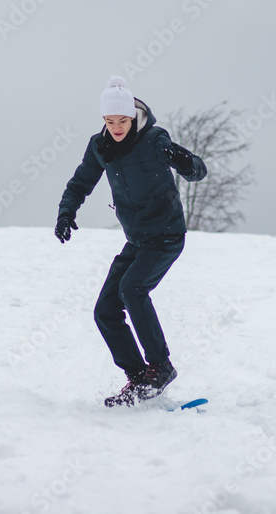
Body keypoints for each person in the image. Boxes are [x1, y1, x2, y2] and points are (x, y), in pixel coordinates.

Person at [55, 76, 207, 407]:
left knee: (132, 290)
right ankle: (140, 378)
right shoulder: (101, 146)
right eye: (110, 121)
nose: (117, 127)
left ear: (133, 116)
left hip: (166, 236)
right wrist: (66, 213)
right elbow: (79, 183)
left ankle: (161, 367)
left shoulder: (154, 139)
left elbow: (198, 170)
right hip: (137, 241)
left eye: (122, 120)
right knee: (105, 310)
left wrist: (183, 161)